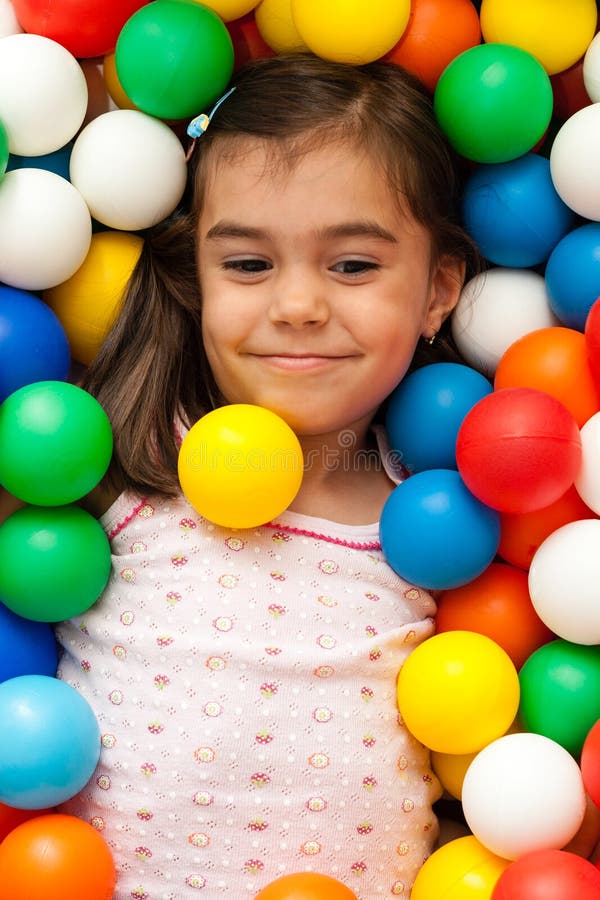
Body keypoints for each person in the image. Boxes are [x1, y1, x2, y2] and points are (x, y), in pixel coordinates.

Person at [51, 53, 479, 899]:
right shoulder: (124, 468)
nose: (297, 307)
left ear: (438, 291)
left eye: (352, 265)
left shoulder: (444, 525)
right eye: (248, 264)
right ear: (197, 276)